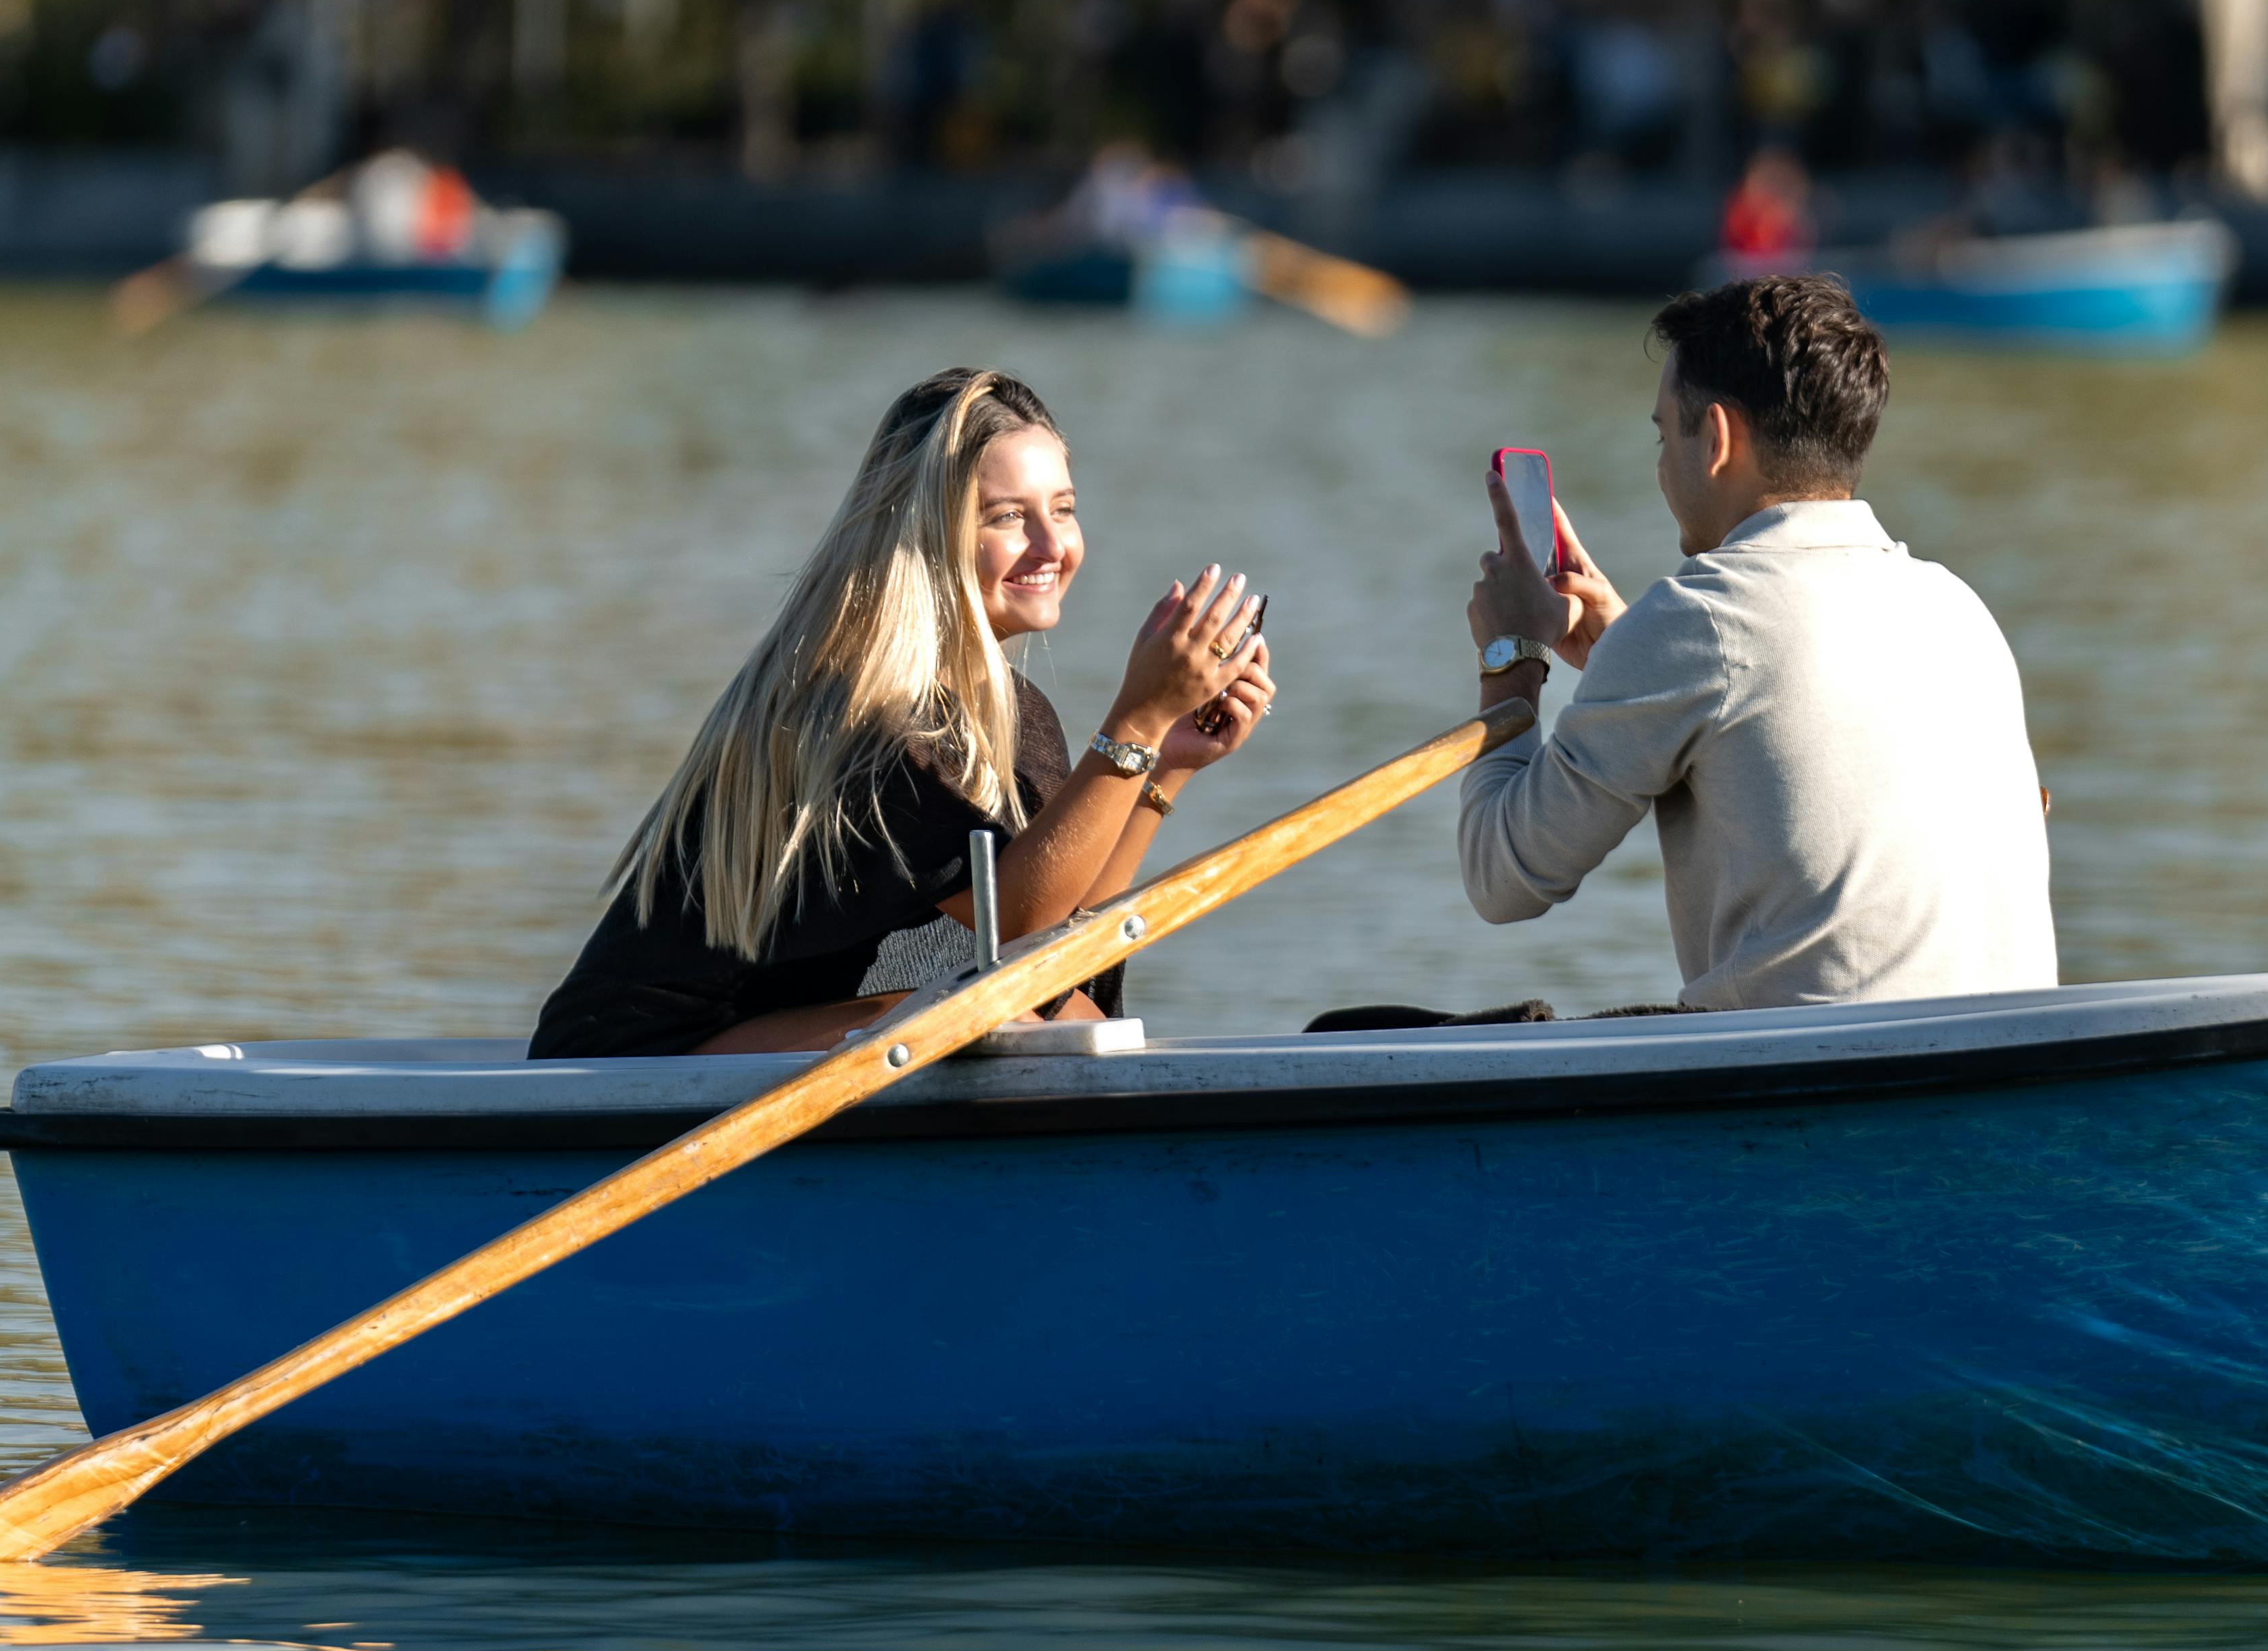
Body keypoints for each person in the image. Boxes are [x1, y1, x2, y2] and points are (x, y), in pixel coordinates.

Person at [533, 365, 1273, 1059]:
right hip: (636, 1064)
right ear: (926, 531)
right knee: (993, 1021)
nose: (1052, 545)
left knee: (1058, 1018)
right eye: (1008, 516)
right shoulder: (874, 716)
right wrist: (1134, 722)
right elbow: (1018, 933)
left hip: (768, 1045)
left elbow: (1060, 958)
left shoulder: (1009, 712)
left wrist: (1163, 765)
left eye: (1064, 509)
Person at [1452, 270, 2054, 1011]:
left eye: (1664, 433)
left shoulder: (1698, 621)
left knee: (1357, 1030)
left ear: (1717, 438)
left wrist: (1510, 655)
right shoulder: (1960, 610)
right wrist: (1624, 647)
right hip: (2008, 1071)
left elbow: (1499, 877)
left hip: (1830, 1090)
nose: (1660, 464)